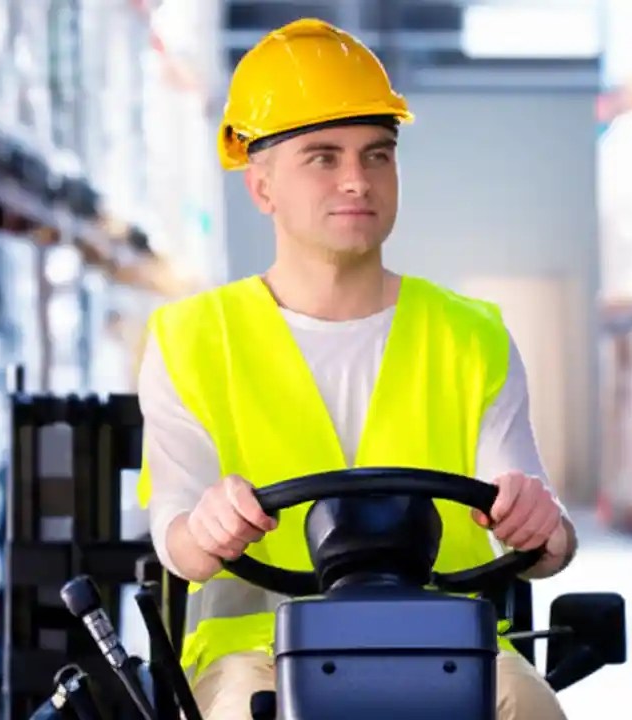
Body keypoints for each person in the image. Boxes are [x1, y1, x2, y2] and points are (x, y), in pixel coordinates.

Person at [135, 17, 577, 720]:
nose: (357, 181)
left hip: (449, 644)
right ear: (262, 186)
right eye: (324, 157)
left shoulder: (471, 335)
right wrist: (209, 528)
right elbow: (179, 545)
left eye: (377, 155)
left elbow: (541, 540)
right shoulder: (190, 338)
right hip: (258, 652)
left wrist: (541, 524)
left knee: (529, 707)